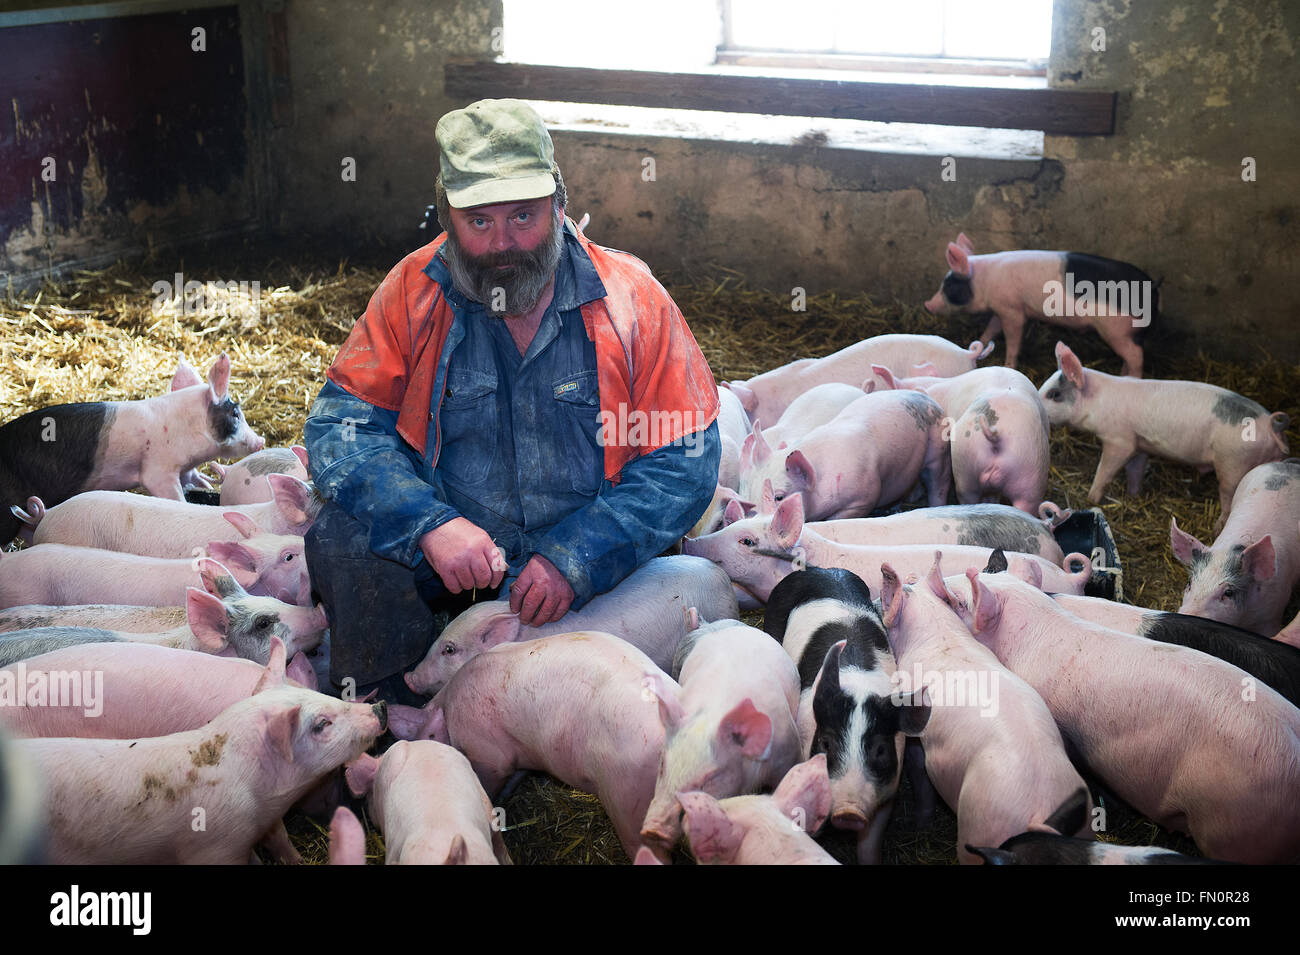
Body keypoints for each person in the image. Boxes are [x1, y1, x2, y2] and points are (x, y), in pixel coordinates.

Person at [303, 99, 721, 704]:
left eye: (523, 216)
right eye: (478, 221)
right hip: (456, 558)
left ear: (559, 203)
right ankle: (392, 716)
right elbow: (342, 429)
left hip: (593, 559)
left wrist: (578, 555)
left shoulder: (630, 300)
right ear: (446, 215)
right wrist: (430, 524)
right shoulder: (411, 294)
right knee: (343, 536)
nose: (503, 244)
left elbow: (686, 459)